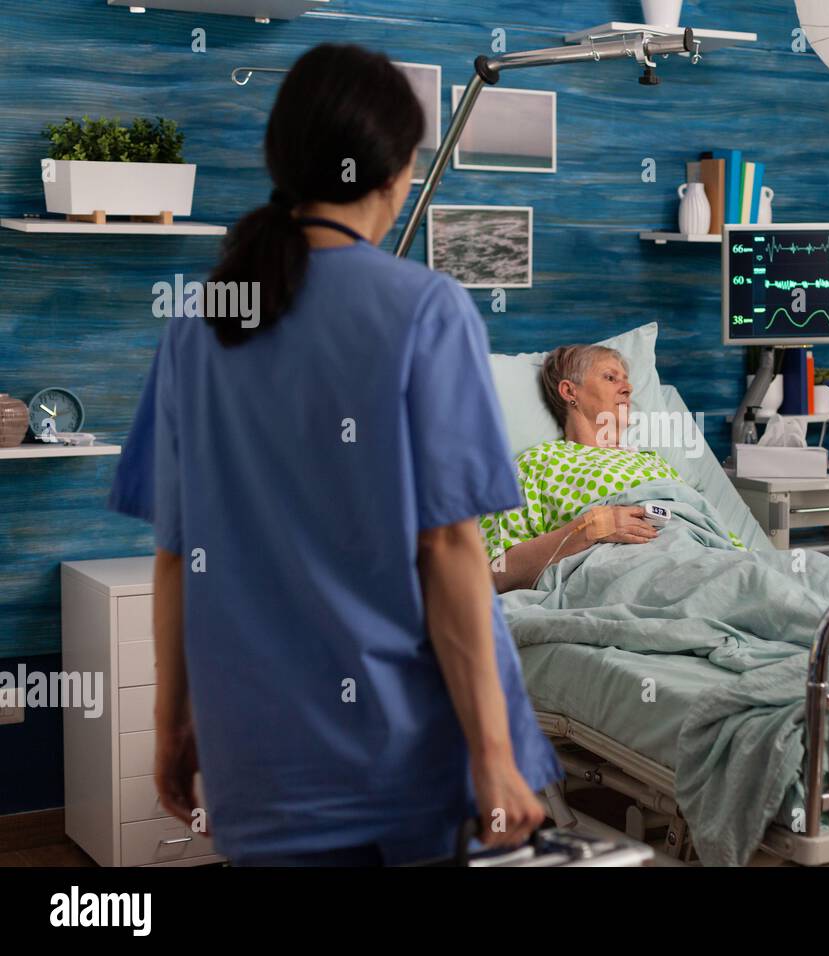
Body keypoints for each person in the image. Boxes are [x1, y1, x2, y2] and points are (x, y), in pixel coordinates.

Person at [150, 43, 559, 866]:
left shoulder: (198, 323)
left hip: (255, 761)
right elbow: (450, 547)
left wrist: (173, 723)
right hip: (402, 761)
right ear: (400, 171)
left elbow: (173, 553)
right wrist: (493, 758)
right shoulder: (426, 311)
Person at [482, 345, 748, 592]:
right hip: (626, 575)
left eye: (627, 380)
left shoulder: (653, 462)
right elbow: (495, 573)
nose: (628, 389)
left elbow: (718, 535)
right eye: (611, 378)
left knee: (761, 578)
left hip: (706, 559)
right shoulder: (537, 463)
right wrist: (586, 530)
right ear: (569, 391)